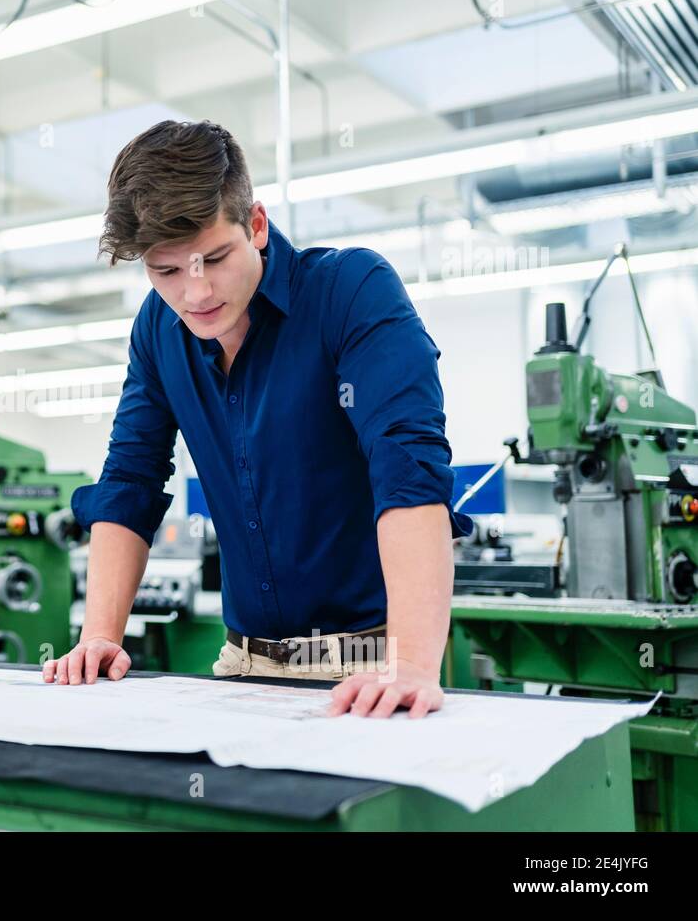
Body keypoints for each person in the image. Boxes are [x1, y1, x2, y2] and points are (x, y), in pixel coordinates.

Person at [42, 120, 472, 719]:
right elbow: (130, 480)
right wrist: (98, 637)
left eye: (213, 258)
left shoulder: (352, 292)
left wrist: (413, 666)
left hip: (375, 663)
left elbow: (408, 463)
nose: (194, 294)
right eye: (166, 272)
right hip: (240, 668)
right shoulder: (157, 331)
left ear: (257, 225)